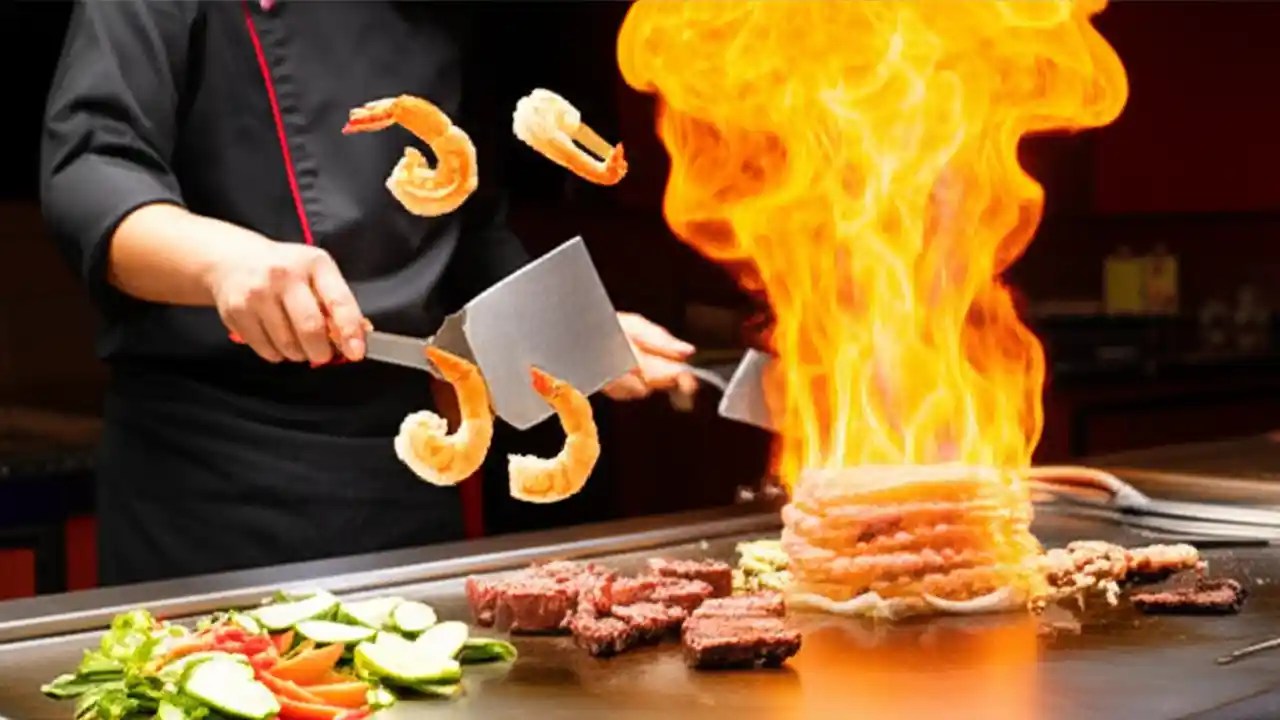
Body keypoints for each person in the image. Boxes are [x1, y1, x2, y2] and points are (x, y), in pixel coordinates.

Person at [41, 0, 698, 586]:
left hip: (399, 472)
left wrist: (571, 330)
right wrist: (222, 260)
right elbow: (90, 170)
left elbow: (466, 224)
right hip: (212, 482)